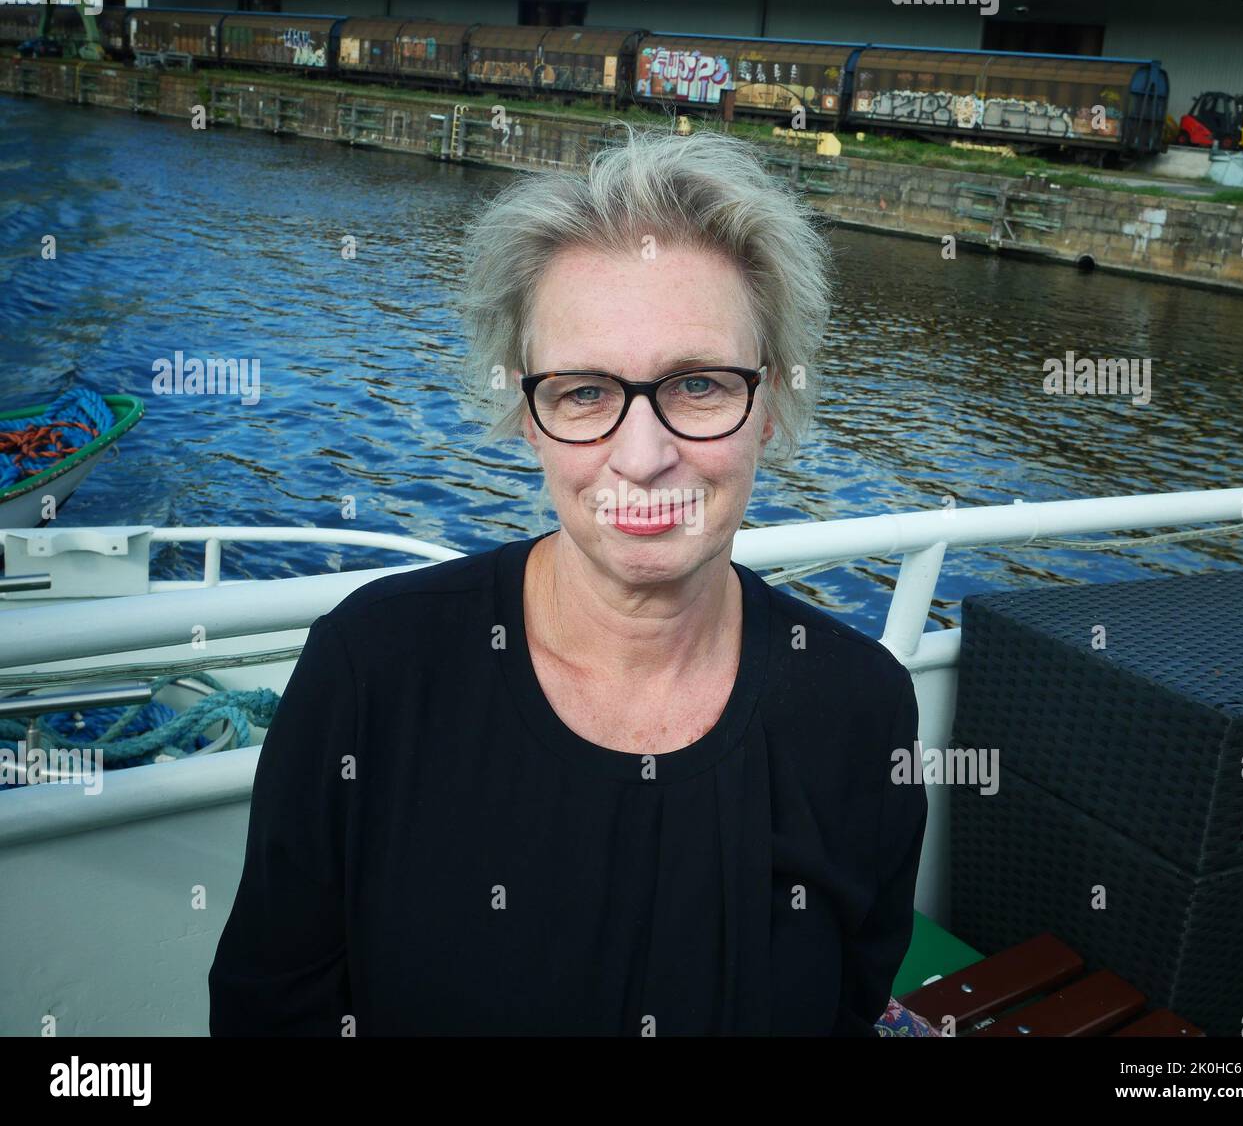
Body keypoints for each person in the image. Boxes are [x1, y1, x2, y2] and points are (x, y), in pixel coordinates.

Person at [209, 125, 927, 1036]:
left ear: (772, 404)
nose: (643, 454)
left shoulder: (860, 710)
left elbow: (847, 1006)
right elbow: (272, 1011)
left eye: (699, 384)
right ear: (528, 414)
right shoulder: (375, 671)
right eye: (585, 392)